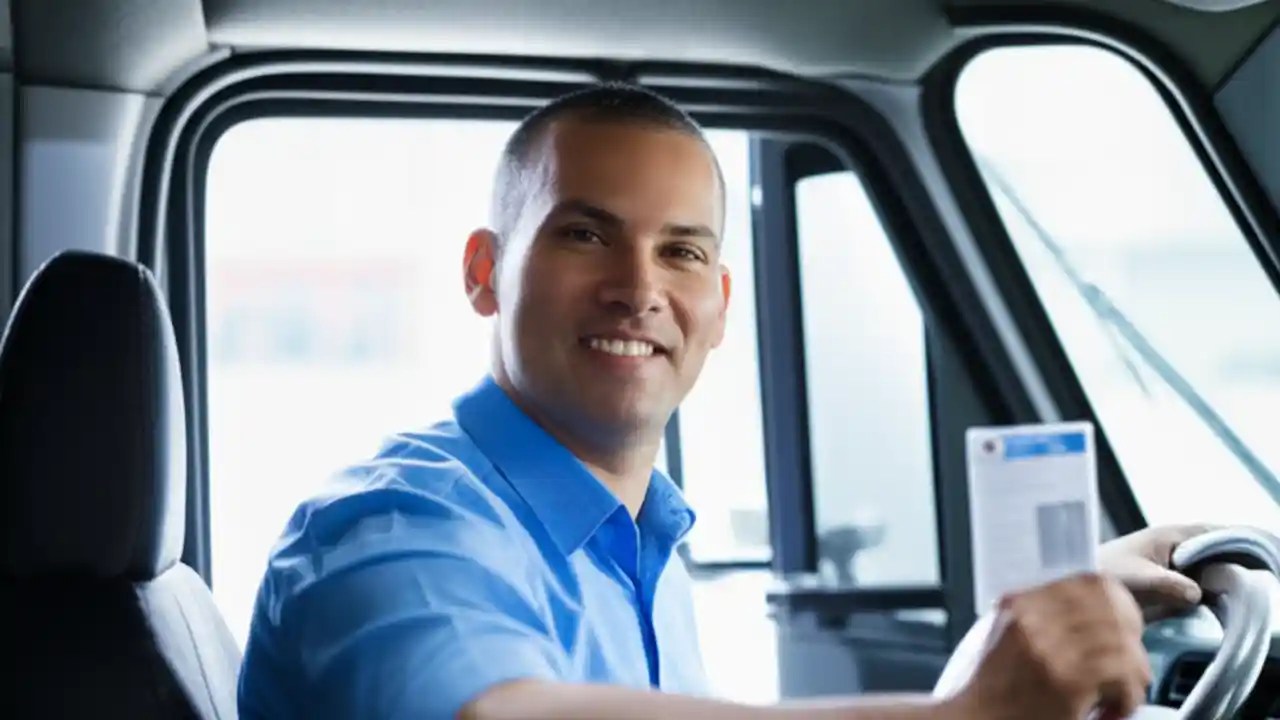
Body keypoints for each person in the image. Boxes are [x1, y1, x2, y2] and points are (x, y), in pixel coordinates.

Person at [238, 83, 1212, 720]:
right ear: (485, 272)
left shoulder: (643, 532)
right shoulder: (391, 522)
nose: (638, 287)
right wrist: (960, 718)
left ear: (718, 306)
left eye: (682, 251)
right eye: (584, 235)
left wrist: (1039, 631)